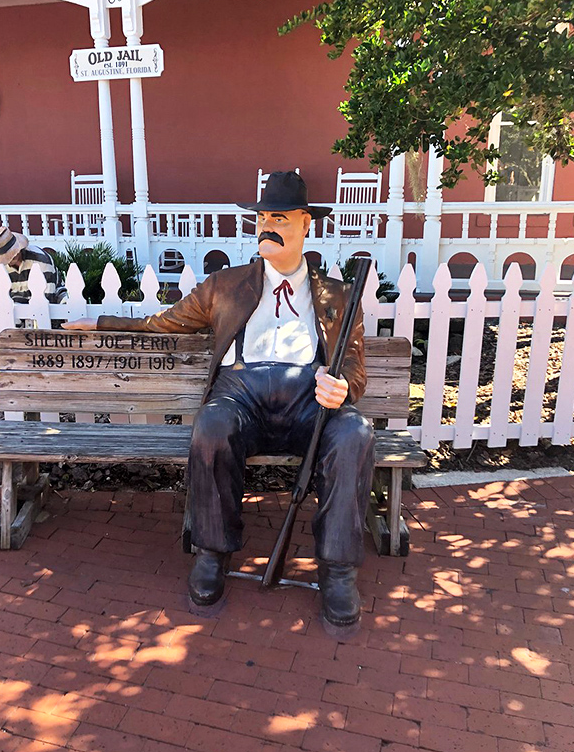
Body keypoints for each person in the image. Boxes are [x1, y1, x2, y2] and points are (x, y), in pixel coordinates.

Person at [64, 171, 375, 630]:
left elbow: (354, 367)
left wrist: (343, 387)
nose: (268, 225)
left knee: (355, 433)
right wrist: (103, 324)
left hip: (309, 402)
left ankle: (338, 567)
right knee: (211, 427)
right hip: (241, 398)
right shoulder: (224, 286)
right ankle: (211, 552)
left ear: (306, 224)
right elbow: (161, 324)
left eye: (281, 218)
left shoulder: (337, 295)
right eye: (263, 217)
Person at [0, 225, 67, 303]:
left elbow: (48, 295)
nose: (12, 257)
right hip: (15, 308)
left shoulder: (40, 259)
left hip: (50, 303)